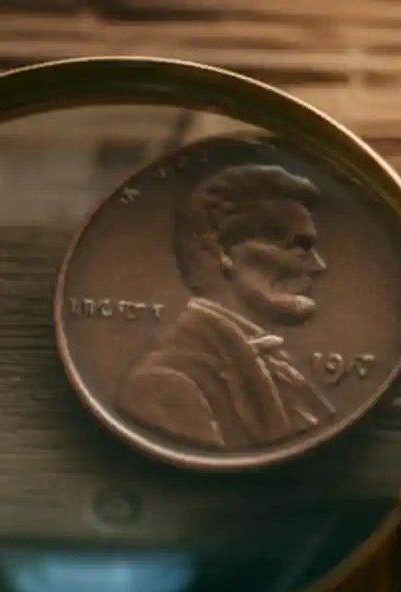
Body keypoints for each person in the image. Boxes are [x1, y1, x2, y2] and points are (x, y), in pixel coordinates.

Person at [115, 163, 335, 451]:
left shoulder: (274, 364)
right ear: (220, 251)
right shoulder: (166, 382)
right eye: (297, 246)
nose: (319, 267)